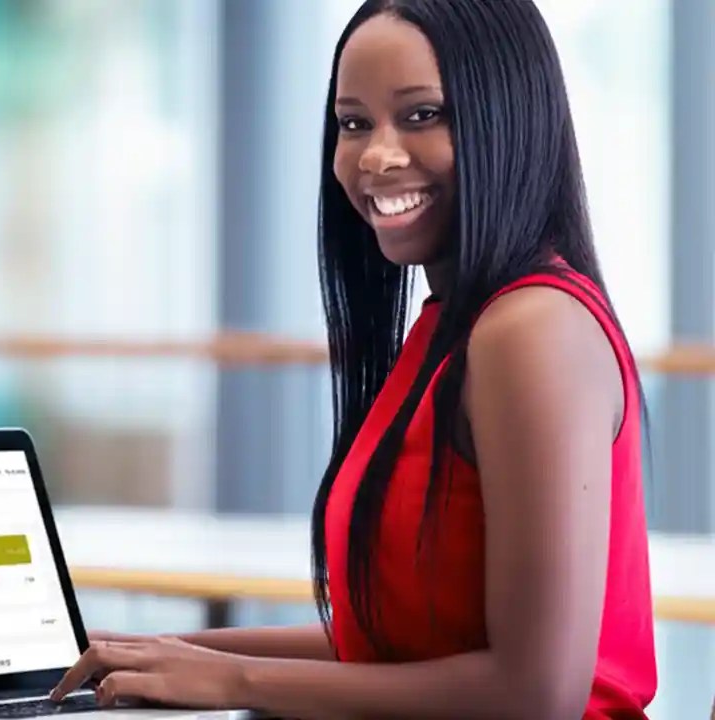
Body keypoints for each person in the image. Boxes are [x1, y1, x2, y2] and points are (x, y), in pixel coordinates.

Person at [48, 1, 657, 718]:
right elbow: (387, 647)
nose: (375, 156)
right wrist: (159, 653)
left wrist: (234, 681)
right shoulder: (451, 330)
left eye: (422, 114)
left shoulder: (530, 328)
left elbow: (535, 694)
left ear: (510, 117)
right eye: (354, 122)